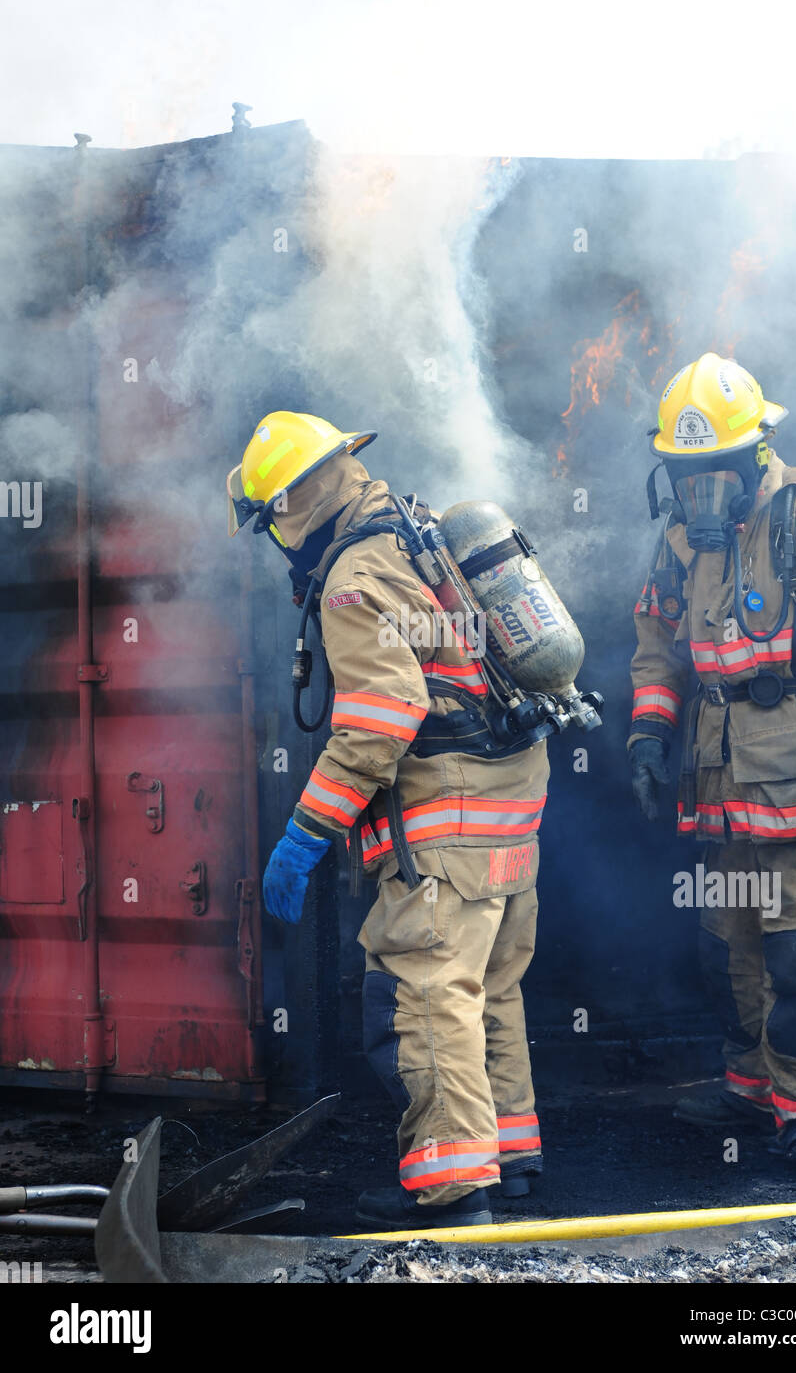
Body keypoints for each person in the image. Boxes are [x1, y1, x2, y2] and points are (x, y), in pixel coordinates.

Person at [228, 411, 548, 1227]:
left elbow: (379, 722)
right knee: (489, 991)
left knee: (427, 995)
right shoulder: (423, 533)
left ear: (293, 504)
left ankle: (453, 1190)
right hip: (509, 813)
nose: (275, 541)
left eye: (270, 522)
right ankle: (509, 1162)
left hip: (443, 826)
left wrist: (303, 835)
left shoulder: (353, 576)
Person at [629, 352, 796, 1186]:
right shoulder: (679, 544)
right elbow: (656, 645)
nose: (701, 496)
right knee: (729, 943)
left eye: (714, 475)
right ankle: (754, 1088)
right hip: (721, 780)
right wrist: (648, 736)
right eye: (683, 476)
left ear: (753, 457)